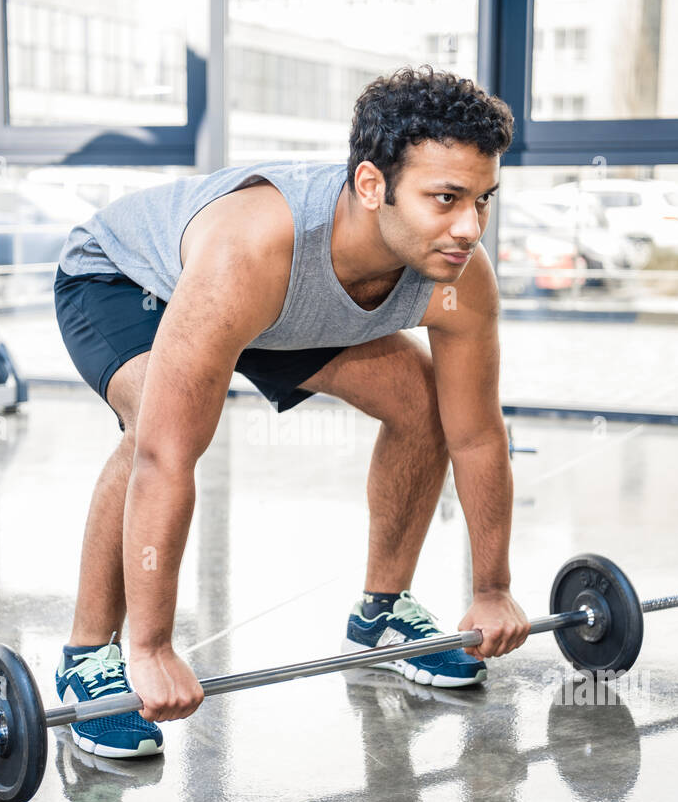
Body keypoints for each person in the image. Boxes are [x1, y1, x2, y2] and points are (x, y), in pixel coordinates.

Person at [52, 65, 531, 758]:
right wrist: (154, 645)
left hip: (274, 310)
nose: (468, 226)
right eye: (446, 198)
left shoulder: (459, 275)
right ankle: (91, 655)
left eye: (483, 199)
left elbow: (478, 435)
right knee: (156, 422)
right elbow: (165, 456)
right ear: (373, 186)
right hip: (128, 284)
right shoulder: (250, 247)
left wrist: (493, 589)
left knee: (425, 404)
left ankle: (381, 613)